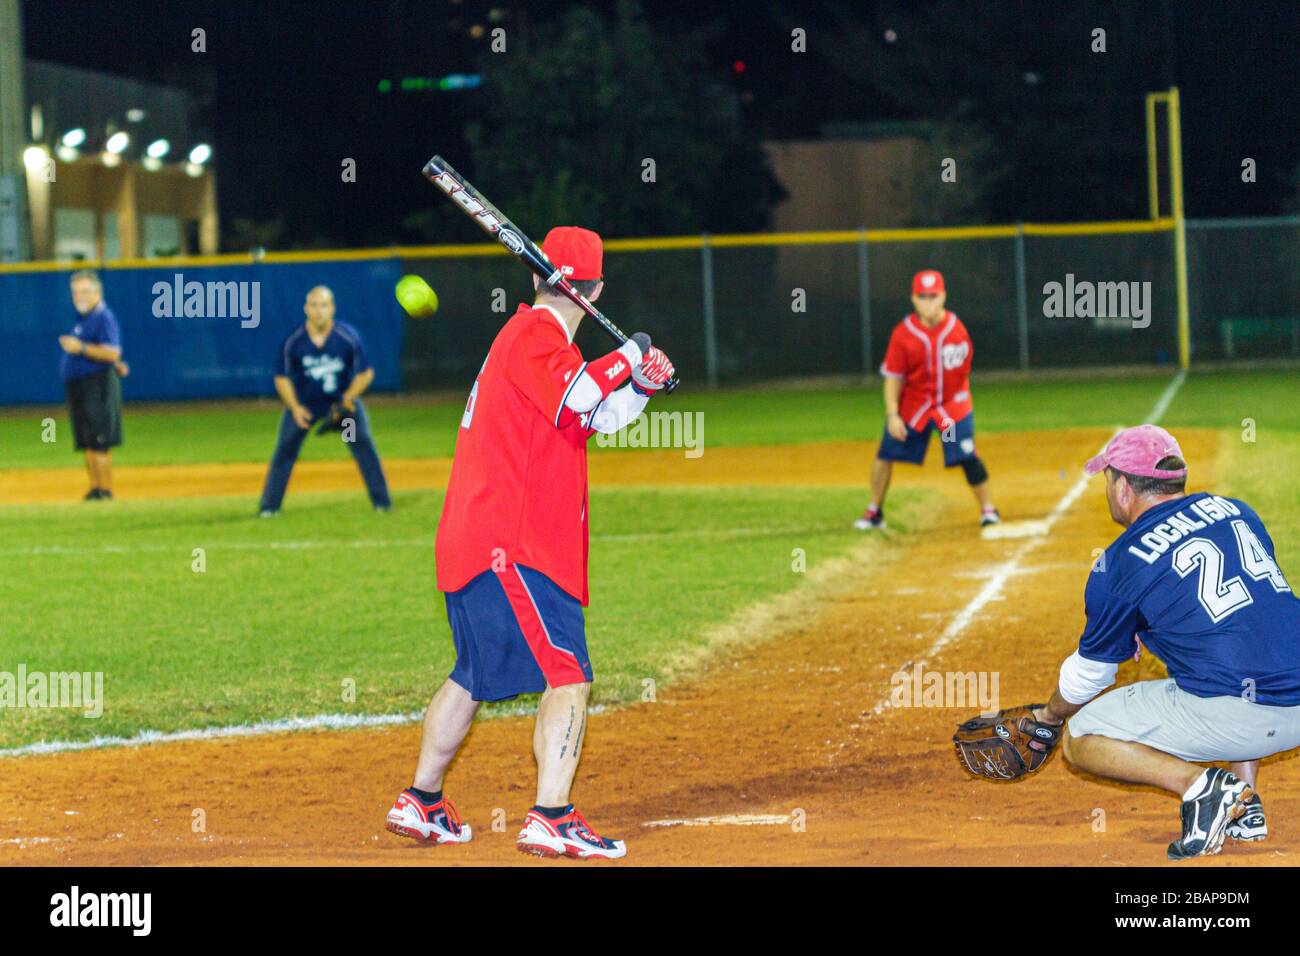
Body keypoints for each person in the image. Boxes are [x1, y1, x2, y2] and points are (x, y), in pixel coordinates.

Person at [384, 226, 676, 860]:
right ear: (594, 287)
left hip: (477, 539)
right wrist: (630, 355)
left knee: (473, 677)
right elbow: (580, 394)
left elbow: (592, 415)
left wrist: (641, 385)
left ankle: (422, 801)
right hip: (513, 545)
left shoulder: (535, 343)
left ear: (538, 277)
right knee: (568, 674)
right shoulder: (536, 337)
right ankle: (552, 814)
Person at [1031, 425, 1300, 859]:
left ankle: (1202, 788)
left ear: (1122, 489)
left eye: (1107, 479)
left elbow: (1088, 680)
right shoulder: (1236, 511)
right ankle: (1243, 806)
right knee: (1227, 652)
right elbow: (1250, 621)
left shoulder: (1117, 563)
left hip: (1241, 717)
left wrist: (1048, 715)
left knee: (1081, 734)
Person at [854, 269, 999, 530]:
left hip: (950, 410)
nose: (928, 302)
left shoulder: (956, 331)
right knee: (886, 453)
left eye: (933, 296)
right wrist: (893, 414)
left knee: (966, 455)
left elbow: (963, 372)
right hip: (915, 407)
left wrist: (958, 407)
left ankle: (988, 509)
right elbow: (894, 377)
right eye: (923, 296)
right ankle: (874, 512)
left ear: (943, 296)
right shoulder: (903, 334)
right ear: (913, 299)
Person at [257, 285, 391, 515]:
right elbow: (281, 378)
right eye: (315, 305)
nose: (319, 311)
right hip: (306, 408)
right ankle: (269, 507)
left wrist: (348, 398)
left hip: (341, 410)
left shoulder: (346, 338)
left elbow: (365, 373)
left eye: (324, 305)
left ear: (333, 309)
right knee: (286, 450)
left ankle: (382, 503)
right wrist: (295, 408)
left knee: (362, 446)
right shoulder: (295, 342)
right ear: (306, 309)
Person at [58, 270, 124, 501]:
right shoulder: (85, 318)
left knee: (99, 440)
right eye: (75, 292)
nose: (79, 296)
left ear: (97, 292)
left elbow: (113, 351)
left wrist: (81, 348)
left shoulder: (103, 316)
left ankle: (105, 490)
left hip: (96, 386)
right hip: (81, 386)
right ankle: (95, 488)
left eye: (85, 291)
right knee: (87, 439)